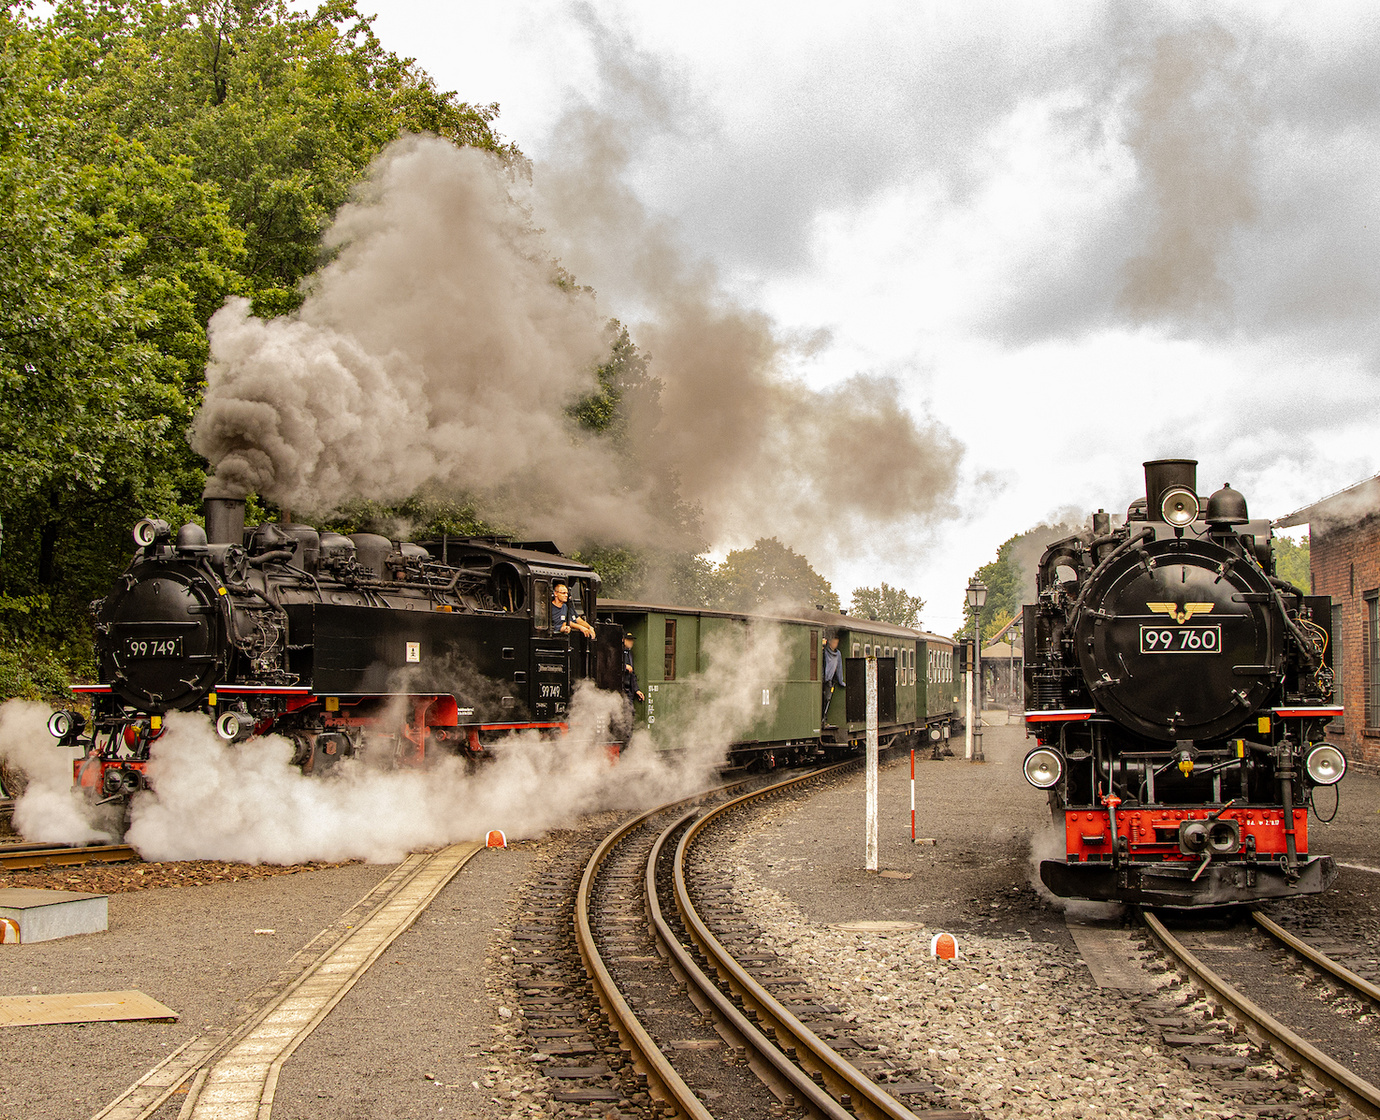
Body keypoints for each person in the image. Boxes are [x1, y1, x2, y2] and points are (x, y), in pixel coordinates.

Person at [822, 633, 845, 719]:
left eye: (836, 643)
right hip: (823, 678)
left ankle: (824, 716)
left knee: (827, 698)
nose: (835, 645)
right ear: (830, 642)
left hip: (829, 680)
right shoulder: (824, 652)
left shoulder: (838, 654)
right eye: (834, 642)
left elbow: (839, 668)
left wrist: (841, 681)